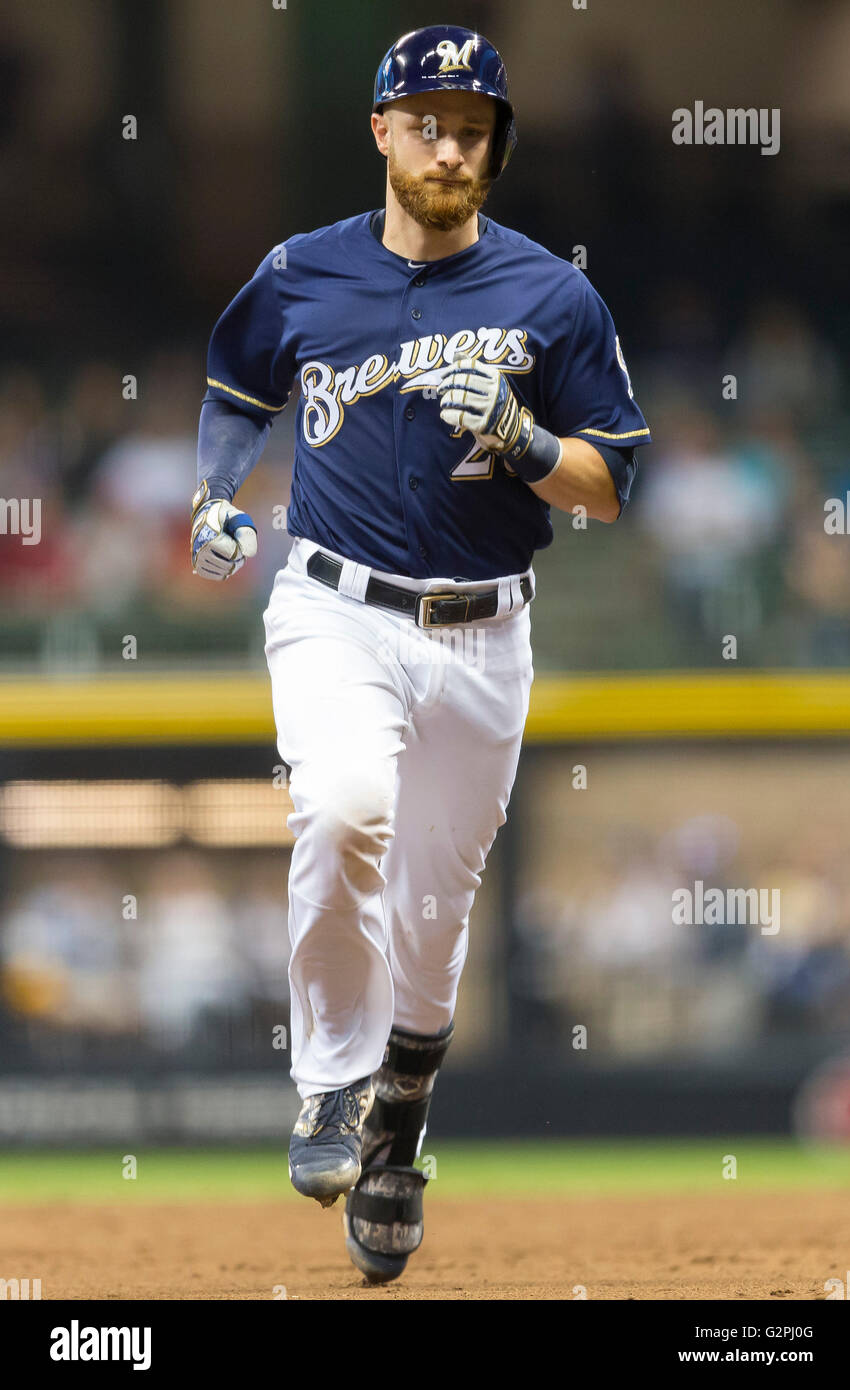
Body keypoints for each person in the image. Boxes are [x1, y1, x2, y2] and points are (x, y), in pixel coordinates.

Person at [191, 24, 651, 1283]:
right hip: (334, 608)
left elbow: (609, 482)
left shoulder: (551, 296)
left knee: (435, 917)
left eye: (472, 125)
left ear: (492, 146)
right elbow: (237, 384)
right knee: (341, 811)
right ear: (382, 133)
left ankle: (400, 1127)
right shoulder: (302, 272)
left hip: (486, 631)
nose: (450, 143)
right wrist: (214, 490)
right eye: (428, 120)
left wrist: (524, 443)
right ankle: (334, 1086)